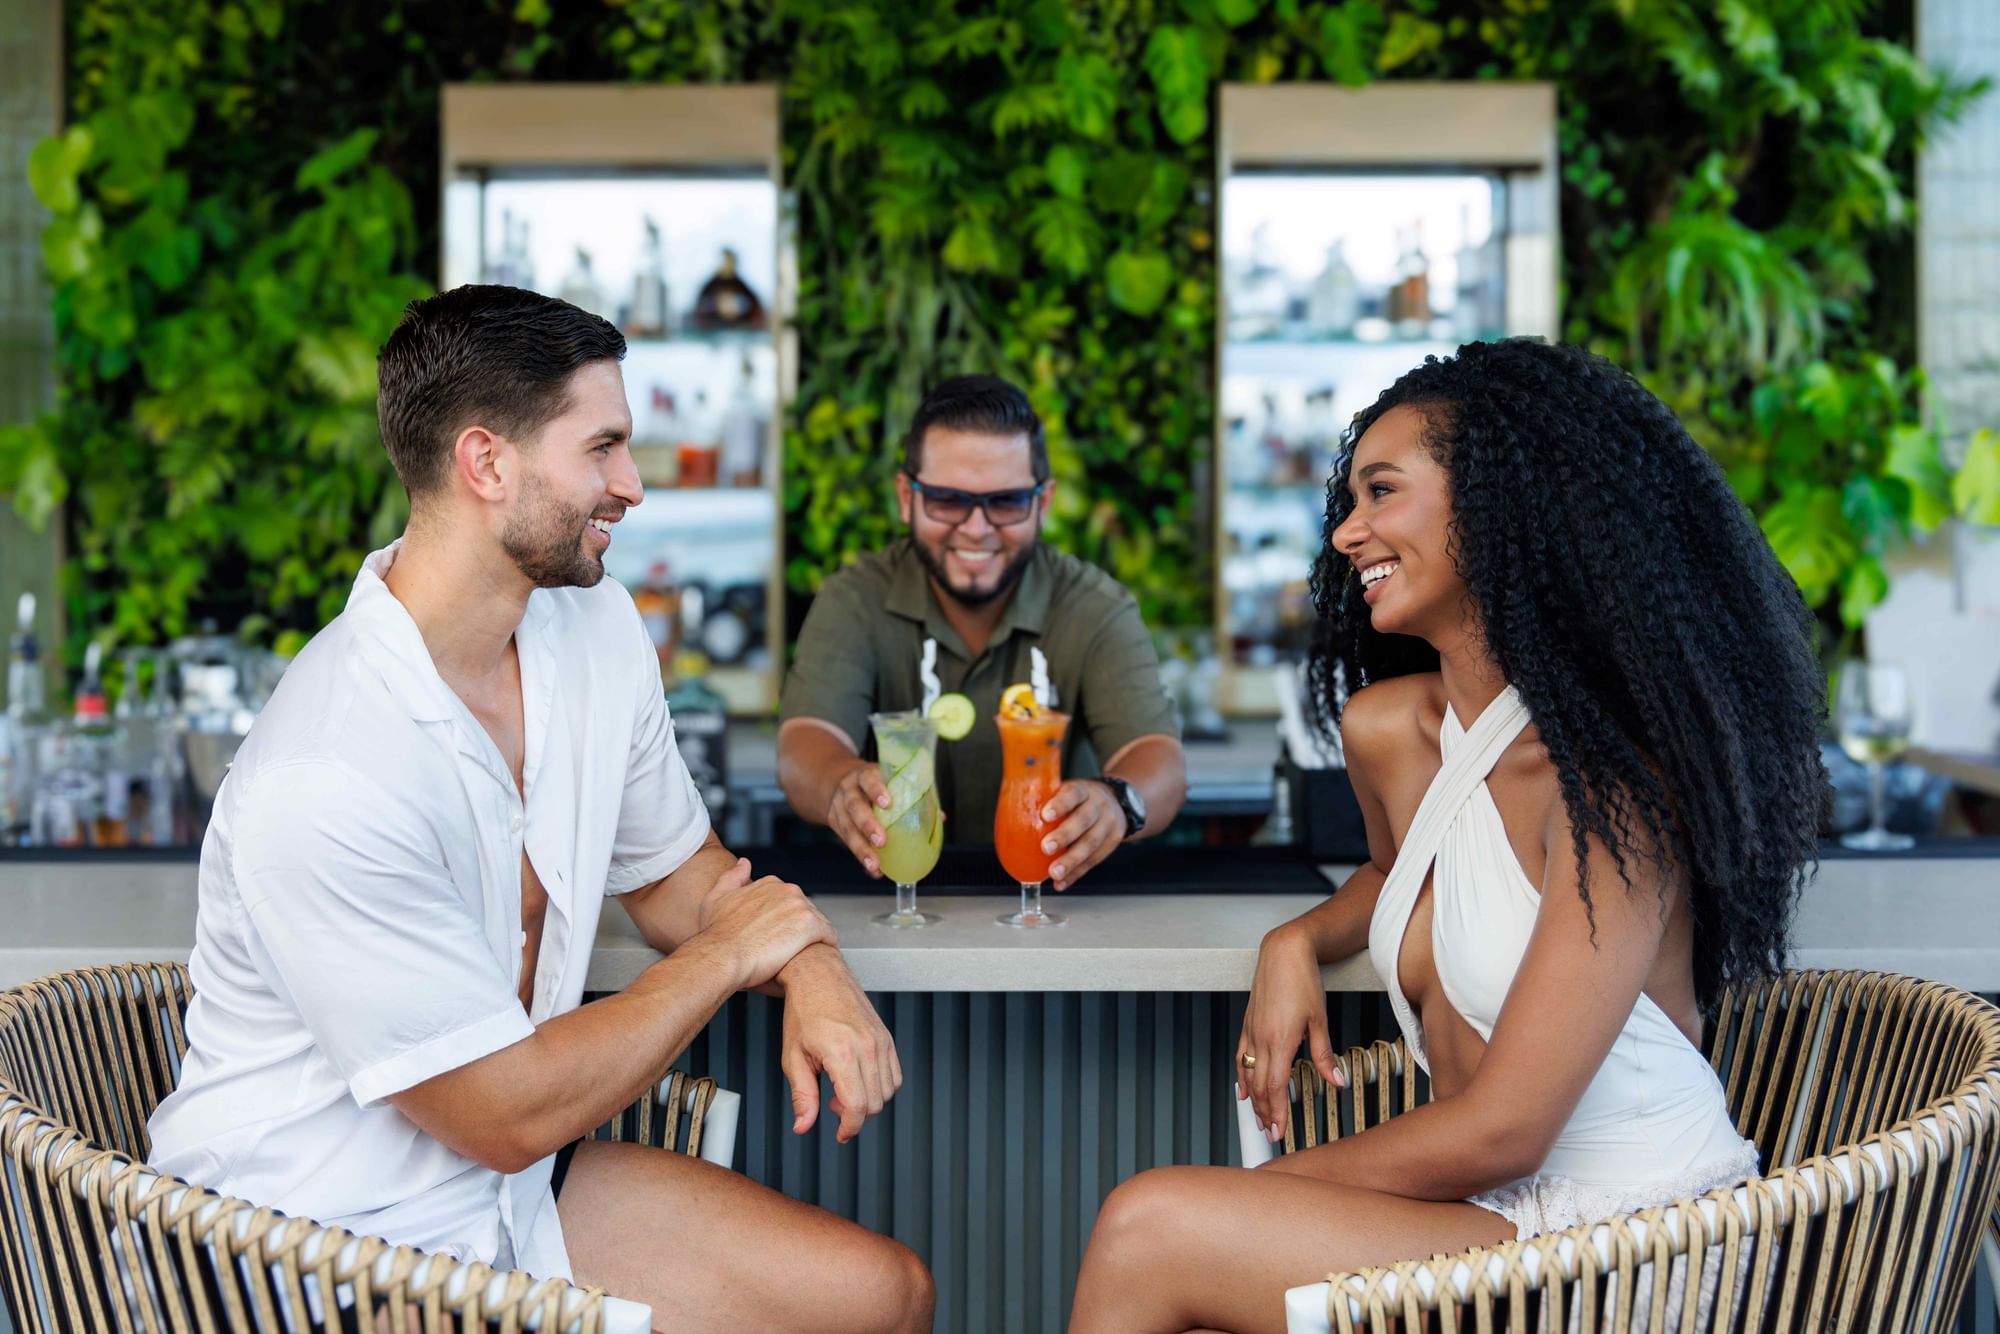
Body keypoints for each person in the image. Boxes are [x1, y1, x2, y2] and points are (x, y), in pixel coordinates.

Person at [146, 286, 933, 1332]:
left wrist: (808, 962)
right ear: (486, 463)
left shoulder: (592, 625)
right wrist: (734, 955)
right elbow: (506, 1111)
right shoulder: (329, 764)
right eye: (601, 448)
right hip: (303, 1255)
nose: (634, 484)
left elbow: (676, 879)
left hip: (504, 1203)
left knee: (884, 1296)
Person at [1068, 340, 1826, 1333]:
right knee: (1186, 1258)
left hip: (1647, 1242)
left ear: (1498, 507)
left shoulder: (1611, 796)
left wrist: (1270, 1193)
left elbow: (1506, 1127)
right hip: (1496, 1228)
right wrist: (1294, 939)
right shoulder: (1391, 734)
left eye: (1381, 491)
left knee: (1150, 1227)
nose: (1346, 531)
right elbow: (1399, 877)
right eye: (1345, 500)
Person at [778, 374, 1186, 890]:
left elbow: (1159, 760)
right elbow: (805, 745)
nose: (976, 528)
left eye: (1007, 501)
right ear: (907, 497)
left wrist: (1116, 802)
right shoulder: (855, 599)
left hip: (1058, 901)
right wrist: (840, 784)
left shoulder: (1095, 607)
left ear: (1043, 503)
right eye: (948, 500)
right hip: (884, 902)